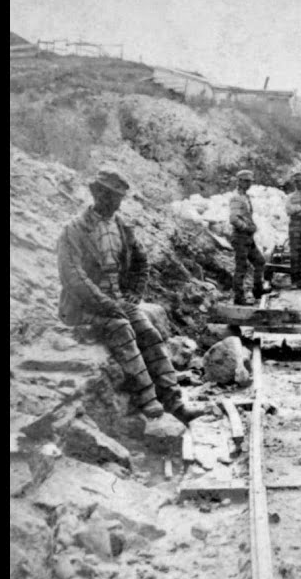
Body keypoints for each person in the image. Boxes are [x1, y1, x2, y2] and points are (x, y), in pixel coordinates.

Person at [57, 170, 209, 423]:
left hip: (117, 301)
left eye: (118, 198)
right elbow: (73, 277)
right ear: (96, 193)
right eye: (109, 196)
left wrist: (133, 295)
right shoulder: (74, 230)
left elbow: (141, 263)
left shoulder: (122, 227)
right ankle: (147, 399)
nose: (115, 202)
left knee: (148, 333)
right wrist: (107, 304)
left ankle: (174, 402)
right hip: (83, 307)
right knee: (121, 329)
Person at [228, 170, 267, 305]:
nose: (248, 184)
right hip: (240, 237)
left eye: (250, 181)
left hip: (247, 238)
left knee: (260, 261)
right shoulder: (237, 198)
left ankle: (258, 290)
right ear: (239, 181)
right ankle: (239, 297)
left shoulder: (245, 197)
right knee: (241, 268)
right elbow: (233, 219)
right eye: (245, 181)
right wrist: (246, 227)